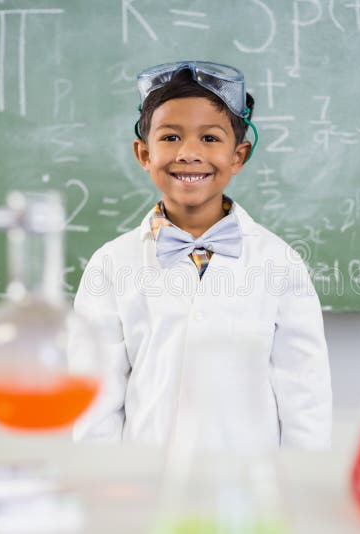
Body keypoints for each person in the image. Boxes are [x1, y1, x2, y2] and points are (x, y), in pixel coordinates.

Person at [73, 61, 331, 449]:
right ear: (144, 154)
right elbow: (94, 398)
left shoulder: (280, 263)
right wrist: (108, 484)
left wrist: (298, 489)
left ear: (238, 155)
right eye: (170, 137)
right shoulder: (110, 265)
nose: (189, 153)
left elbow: (305, 396)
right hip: (146, 483)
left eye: (210, 139)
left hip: (248, 490)